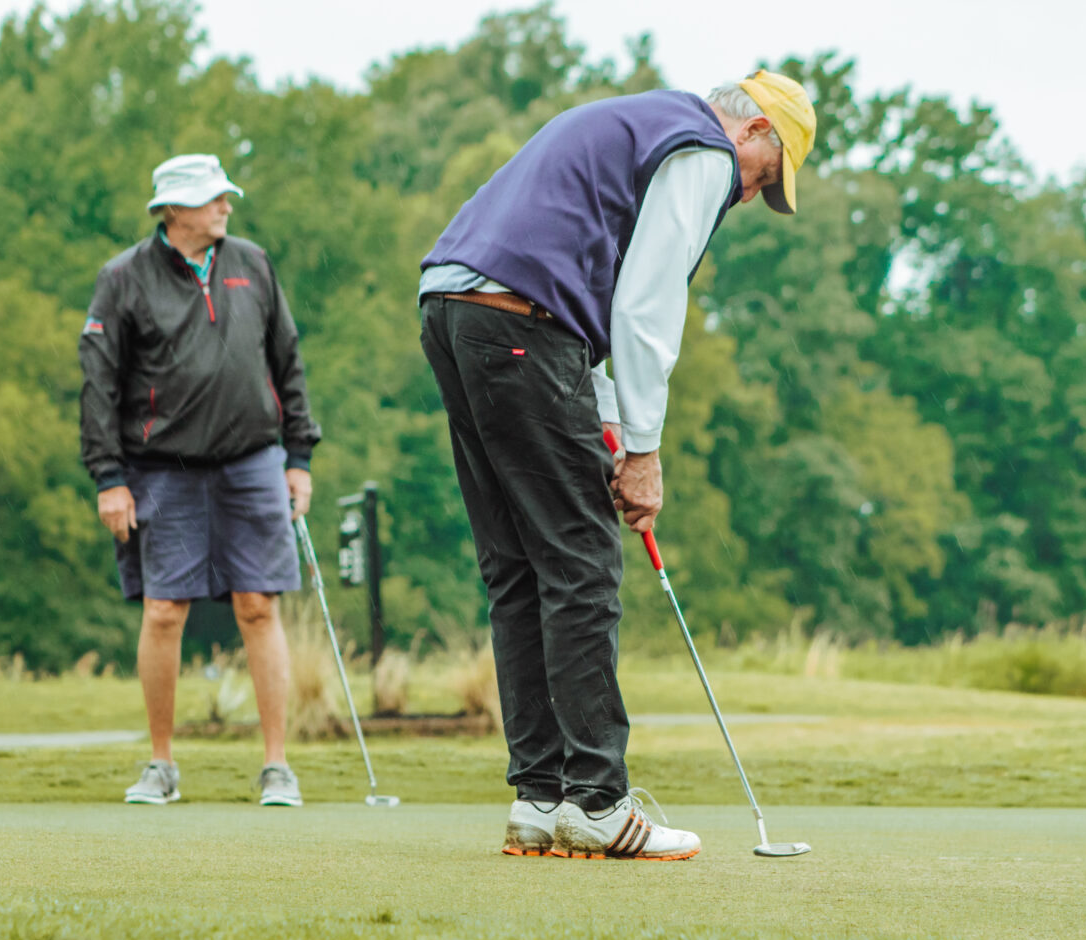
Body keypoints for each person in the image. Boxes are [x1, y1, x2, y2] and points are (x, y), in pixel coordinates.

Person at [418, 72, 816, 859]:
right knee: (581, 566)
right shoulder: (701, 149)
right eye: (761, 181)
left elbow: (585, 287)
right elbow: (646, 302)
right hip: (520, 324)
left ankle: (539, 800)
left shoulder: (636, 122)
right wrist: (643, 449)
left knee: (520, 568)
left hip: (456, 313)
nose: (743, 201)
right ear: (756, 134)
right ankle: (596, 801)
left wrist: (603, 413)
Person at [79, 153, 322, 807]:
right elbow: (98, 383)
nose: (226, 207)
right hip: (162, 469)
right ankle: (161, 764)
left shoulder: (252, 263)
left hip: (252, 462)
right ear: (175, 210)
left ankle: (277, 767)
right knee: (163, 612)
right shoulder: (124, 278)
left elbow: (287, 359)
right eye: (214, 198)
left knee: (259, 605)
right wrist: (109, 476)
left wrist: (298, 457)